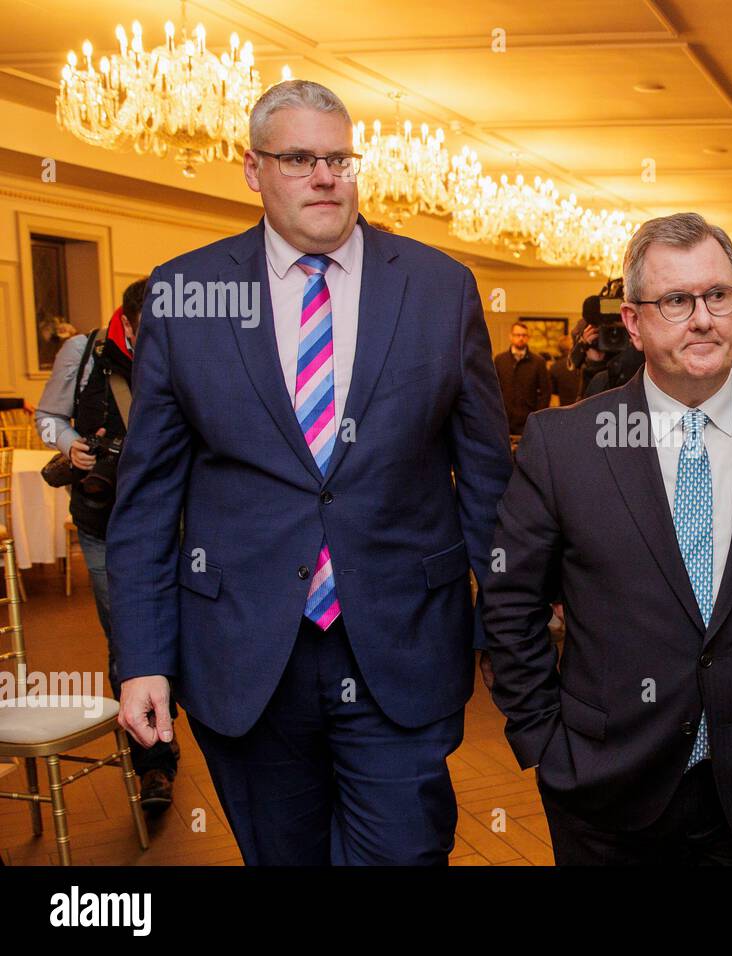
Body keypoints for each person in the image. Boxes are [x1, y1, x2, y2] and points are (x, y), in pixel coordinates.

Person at [106, 79, 513, 865]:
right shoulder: (187, 292)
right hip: (244, 653)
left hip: (404, 640)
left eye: (339, 158)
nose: (326, 177)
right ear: (253, 169)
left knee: (404, 852)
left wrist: (504, 630)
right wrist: (143, 658)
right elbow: (148, 497)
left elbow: (488, 479)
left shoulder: (438, 287)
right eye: (298, 158)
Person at [480, 213, 732, 865]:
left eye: (717, 295)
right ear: (634, 324)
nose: (702, 318)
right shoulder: (566, 444)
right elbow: (509, 602)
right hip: (607, 795)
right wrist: (543, 740)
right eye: (676, 300)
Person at [35, 279, 181, 813]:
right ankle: (155, 763)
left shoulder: (184, 343)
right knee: (130, 636)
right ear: (128, 323)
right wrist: (68, 443)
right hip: (104, 523)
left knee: (190, 630)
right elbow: (47, 417)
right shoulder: (84, 351)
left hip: (180, 523)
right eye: (147, 335)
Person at [494, 322, 551, 433]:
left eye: (524, 335)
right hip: (505, 418)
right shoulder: (500, 360)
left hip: (528, 418)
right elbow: (494, 388)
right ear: (510, 336)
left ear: (528, 337)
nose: (521, 338)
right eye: (517, 335)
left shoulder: (538, 362)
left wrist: (537, 415)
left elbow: (546, 391)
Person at [548, 335, 583, 406]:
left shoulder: (554, 367)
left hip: (564, 406)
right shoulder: (582, 362)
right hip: (583, 403)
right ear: (573, 347)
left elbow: (553, 392)